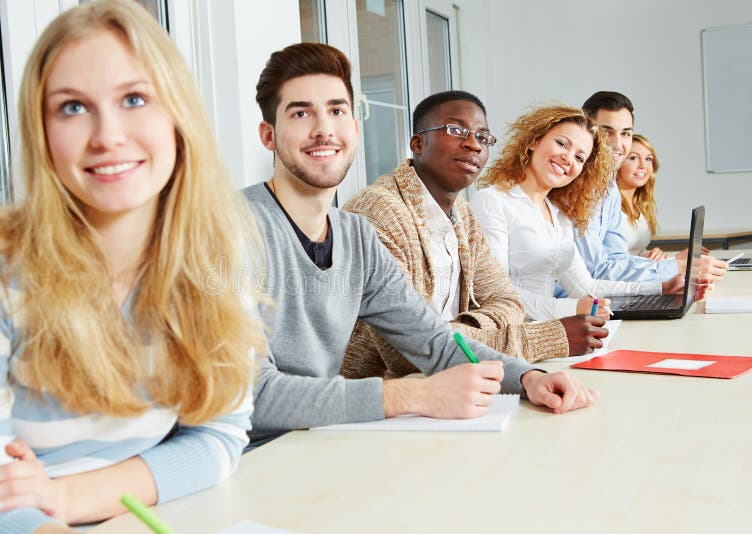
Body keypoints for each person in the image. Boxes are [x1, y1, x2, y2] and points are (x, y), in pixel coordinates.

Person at [0, 1, 259, 531]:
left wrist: (65, 496)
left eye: (134, 99)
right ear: (41, 133)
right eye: (72, 107)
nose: (107, 136)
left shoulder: (216, 256)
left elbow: (219, 436)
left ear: (177, 116)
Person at [244, 43, 597, 448]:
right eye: (301, 113)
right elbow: (250, 395)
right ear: (269, 135)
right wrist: (413, 395)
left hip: (319, 442)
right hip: (251, 459)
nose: (324, 129)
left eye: (337, 111)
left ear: (354, 129)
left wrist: (528, 378)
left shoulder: (355, 237)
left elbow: (434, 342)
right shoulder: (229, 229)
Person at [339, 90, 608, 381]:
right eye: (456, 130)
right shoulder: (379, 210)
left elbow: (508, 301)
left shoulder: (462, 213)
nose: (473, 144)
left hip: (451, 382)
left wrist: (452, 333)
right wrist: (544, 338)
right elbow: (407, 352)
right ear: (417, 143)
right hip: (379, 393)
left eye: (482, 137)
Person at [470, 105, 686, 321]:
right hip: (513, 332)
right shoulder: (492, 201)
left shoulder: (559, 216)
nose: (568, 158)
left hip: (550, 330)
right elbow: (496, 292)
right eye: (562, 143)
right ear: (534, 140)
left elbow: (585, 286)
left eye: (580, 158)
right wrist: (573, 308)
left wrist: (659, 288)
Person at [573, 91, 727, 287]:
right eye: (607, 132)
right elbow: (595, 270)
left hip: (600, 292)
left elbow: (617, 258)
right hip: (569, 299)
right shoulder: (576, 188)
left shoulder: (609, 188)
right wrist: (675, 267)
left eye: (626, 133)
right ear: (587, 131)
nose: (618, 144)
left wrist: (671, 270)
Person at [617, 134, 709, 261]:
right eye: (633, 158)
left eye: (648, 159)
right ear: (617, 163)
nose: (643, 165)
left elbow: (635, 252)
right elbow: (616, 261)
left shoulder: (641, 204)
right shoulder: (608, 205)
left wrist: (654, 255)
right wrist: (674, 260)